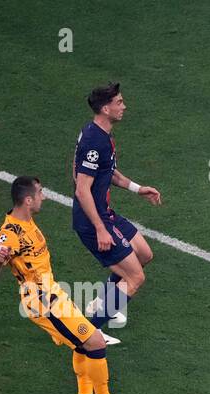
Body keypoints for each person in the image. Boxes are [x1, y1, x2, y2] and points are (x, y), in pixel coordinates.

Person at [0, 176, 137, 394]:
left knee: (83, 341)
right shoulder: (9, 233)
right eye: (40, 193)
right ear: (28, 200)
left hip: (53, 294)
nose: (43, 196)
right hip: (43, 302)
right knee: (96, 342)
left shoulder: (27, 222)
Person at [72, 82, 163, 335]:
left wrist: (137, 188)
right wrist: (101, 229)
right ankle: (86, 335)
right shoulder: (94, 141)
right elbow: (82, 189)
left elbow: (108, 171)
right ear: (105, 108)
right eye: (119, 102)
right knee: (135, 278)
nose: (124, 106)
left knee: (144, 255)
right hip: (92, 221)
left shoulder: (100, 133)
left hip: (104, 213)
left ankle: (104, 302)